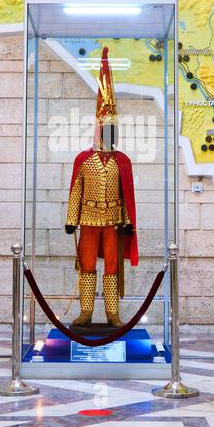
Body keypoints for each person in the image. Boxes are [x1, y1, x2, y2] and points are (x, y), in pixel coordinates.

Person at [64, 47, 138, 328]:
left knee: (111, 268)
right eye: (105, 129)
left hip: (113, 221)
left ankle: (112, 313)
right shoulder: (83, 160)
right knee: (86, 266)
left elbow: (126, 196)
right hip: (87, 220)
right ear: (97, 130)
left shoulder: (122, 161)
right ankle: (85, 312)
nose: (109, 134)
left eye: (112, 129)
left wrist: (129, 221)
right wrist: (71, 220)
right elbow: (76, 192)